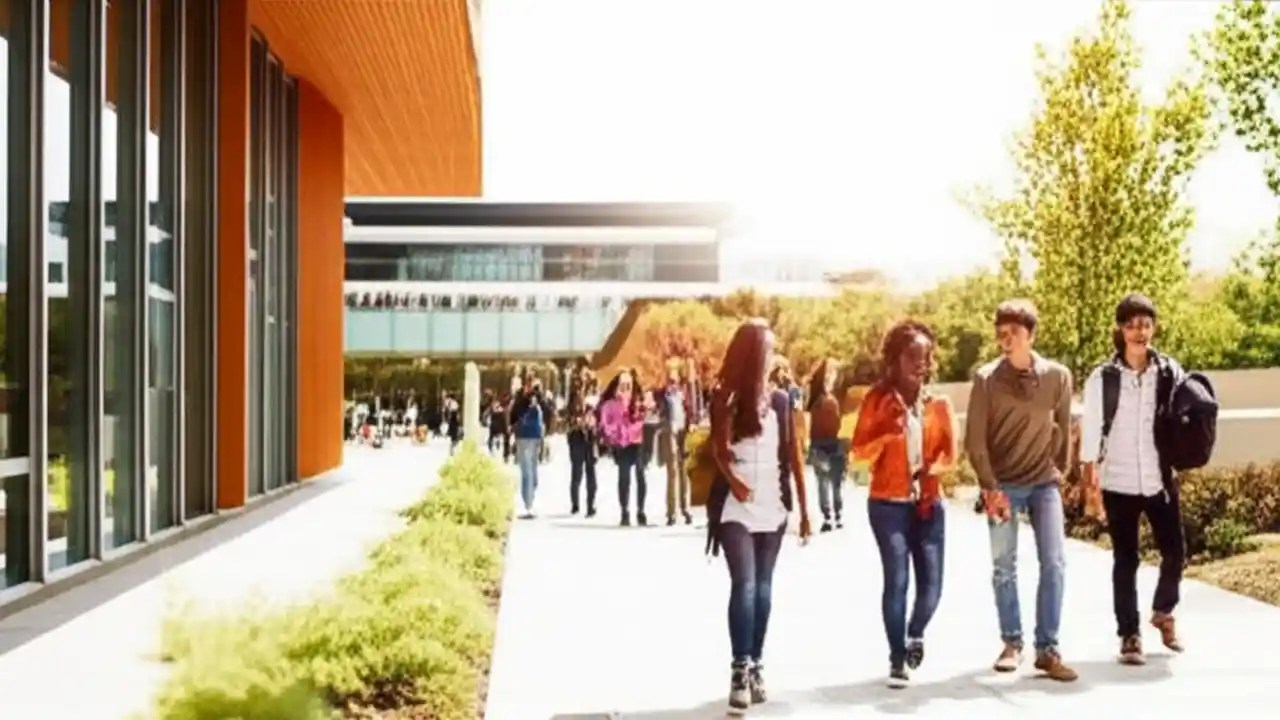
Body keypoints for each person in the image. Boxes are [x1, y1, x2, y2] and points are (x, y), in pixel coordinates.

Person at [965, 299, 1077, 682]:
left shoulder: (1057, 377)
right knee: (1004, 566)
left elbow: (1063, 427)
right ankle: (1012, 643)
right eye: (1000, 332)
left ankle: (1048, 649)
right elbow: (974, 442)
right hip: (1002, 485)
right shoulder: (986, 380)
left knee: (1055, 562)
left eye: (1013, 332)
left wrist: (1060, 470)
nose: (1004, 338)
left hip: (1044, 482)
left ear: (1030, 334)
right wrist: (989, 487)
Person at [705, 318, 812, 716]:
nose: (774, 357)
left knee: (764, 588)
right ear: (754, 354)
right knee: (745, 584)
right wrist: (733, 481)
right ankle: (739, 668)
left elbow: (794, 456)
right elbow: (717, 448)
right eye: (768, 349)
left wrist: (803, 508)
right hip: (737, 506)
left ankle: (756, 664)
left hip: (774, 503)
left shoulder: (781, 401)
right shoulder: (726, 398)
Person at [1080, 293, 1186, 663]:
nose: (1139, 331)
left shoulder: (1170, 372)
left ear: (1153, 328)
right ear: (1120, 330)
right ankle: (1129, 635)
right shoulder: (1102, 378)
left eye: (1145, 324)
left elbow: (1186, 414)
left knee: (1175, 551)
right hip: (1119, 481)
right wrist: (1090, 485)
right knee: (1126, 560)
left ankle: (1163, 611)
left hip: (1159, 479)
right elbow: (1090, 431)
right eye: (1131, 324)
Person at [852, 321, 955, 688]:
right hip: (887, 505)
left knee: (933, 587)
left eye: (926, 356)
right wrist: (886, 432)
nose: (921, 363)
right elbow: (859, 452)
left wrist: (932, 470)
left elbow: (950, 454)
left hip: (928, 504)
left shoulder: (938, 404)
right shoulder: (876, 400)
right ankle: (897, 658)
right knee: (897, 580)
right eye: (913, 356)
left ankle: (915, 632)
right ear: (894, 359)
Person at [599, 369, 649, 526]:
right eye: (622, 385)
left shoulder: (638, 402)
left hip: (637, 441)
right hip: (621, 444)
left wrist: (642, 413)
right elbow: (604, 423)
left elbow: (647, 417)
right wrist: (614, 432)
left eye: (629, 385)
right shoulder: (610, 405)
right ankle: (625, 511)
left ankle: (641, 510)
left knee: (640, 474)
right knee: (624, 476)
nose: (626, 389)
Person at [806, 358, 846, 532]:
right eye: (831, 374)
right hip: (830, 443)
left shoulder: (818, 399)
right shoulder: (825, 399)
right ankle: (833, 516)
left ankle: (831, 516)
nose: (834, 377)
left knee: (827, 482)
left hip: (823, 444)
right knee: (831, 482)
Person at [658, 366, 693, 525]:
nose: (672, 383)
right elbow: (658, 411)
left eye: (675, 380)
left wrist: (691, 423)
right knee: (672, 472)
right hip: (669, 433)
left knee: (683, 471)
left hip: (682, 433)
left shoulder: (684, 393)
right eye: (670, 380)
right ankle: (671, 513)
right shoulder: (661, 395)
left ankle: (686, 509)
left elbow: (691, 410)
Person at [510, 376, 546, 519]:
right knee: (527, 472)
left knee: (533, 471)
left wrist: (539, 398)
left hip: (535, 437)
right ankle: (528, 505)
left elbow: (548, 411)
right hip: (523, 437)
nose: (532, 389)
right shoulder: (520, 399)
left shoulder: (539, 399)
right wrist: (524, 400)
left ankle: (530, 497)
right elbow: (513, 416)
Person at [566, 373, 600, 517]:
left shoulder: (592, 398)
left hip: (588, 438)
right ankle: (577, 504)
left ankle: (588, 505)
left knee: (586, 473)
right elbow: (569, 420)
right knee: (579, 473)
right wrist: (578, 421)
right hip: (579, 438)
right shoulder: (575, 398)